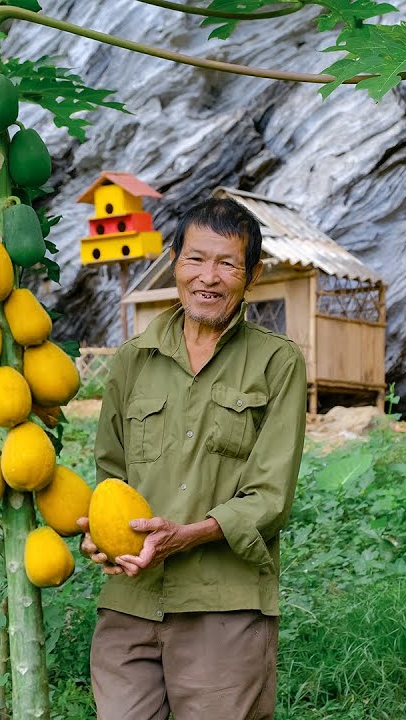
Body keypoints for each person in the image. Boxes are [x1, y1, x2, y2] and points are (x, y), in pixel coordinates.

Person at [77, 197, 308, 719]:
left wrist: (187, 535)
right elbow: (111, 477)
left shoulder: (277, 362)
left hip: (221, 608)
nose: (209, 277)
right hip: (129, 601)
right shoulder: (133, 360)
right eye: (196, 259)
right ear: (174, 262)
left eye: (228, 263)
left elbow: (270, 496)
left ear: (251, 277)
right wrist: (98, 534)